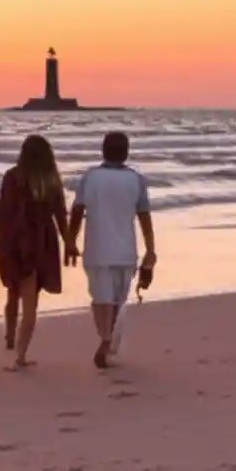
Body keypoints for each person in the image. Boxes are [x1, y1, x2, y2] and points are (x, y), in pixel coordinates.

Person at [67, 132, 157, 370]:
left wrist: (70, 240)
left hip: (96, 248)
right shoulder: (136, 179)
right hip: (125, 249)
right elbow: (144, 217)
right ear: (126, 152)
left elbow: (77, 211)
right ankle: (108, 340)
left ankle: (105, 338)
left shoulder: (91, 177)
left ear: (103, 150)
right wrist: (151, 249)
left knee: (100, 298)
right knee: (118, 300)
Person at [0, 135, 70, 370]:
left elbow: (3, 213)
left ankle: (9, 336)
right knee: (30, 301)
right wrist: (69, 243)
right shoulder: (52, 180)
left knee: (12, 289)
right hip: (41, 242)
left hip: (14, 240)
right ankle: (21, 354)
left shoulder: (12, 177)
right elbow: (60, 215)